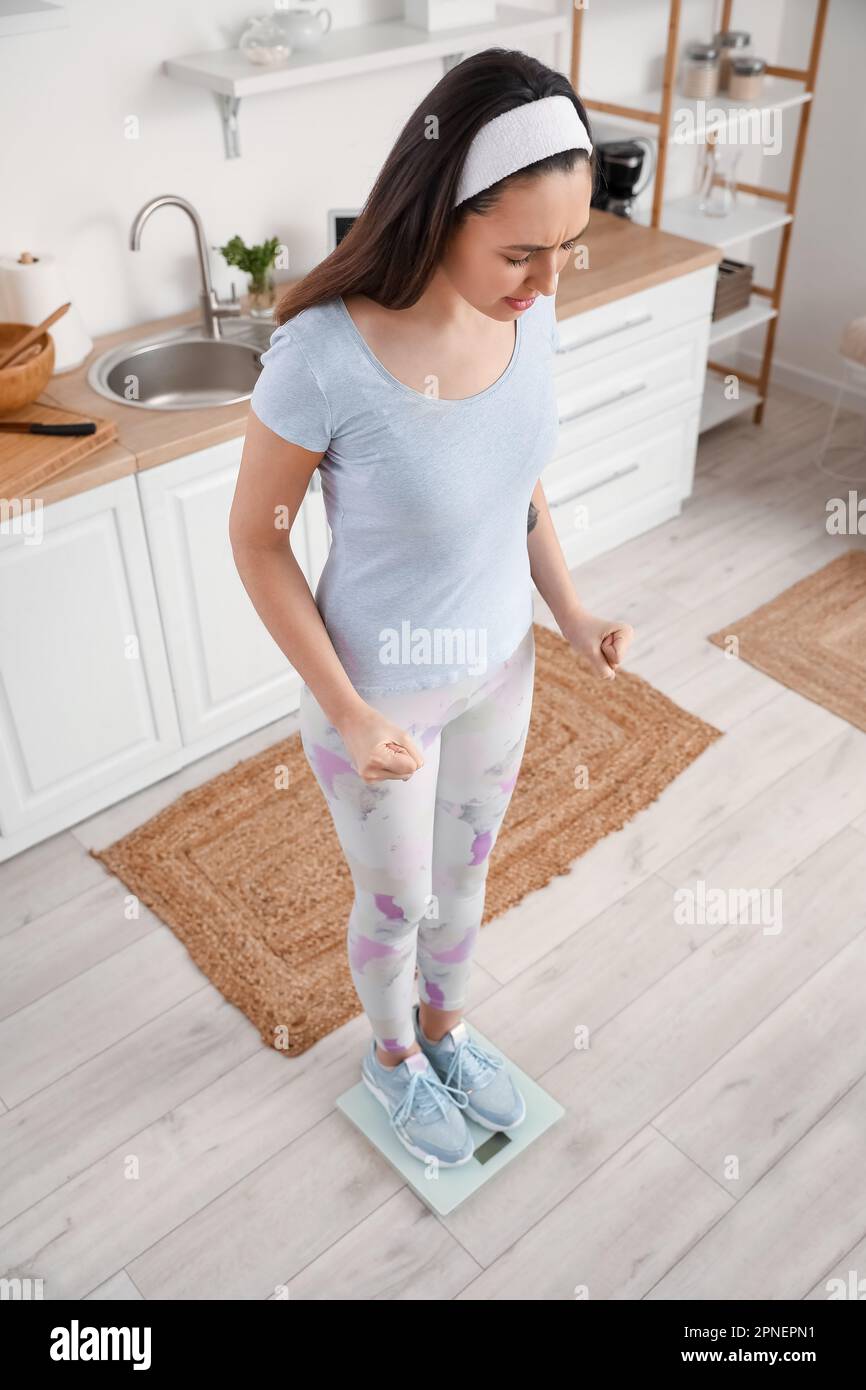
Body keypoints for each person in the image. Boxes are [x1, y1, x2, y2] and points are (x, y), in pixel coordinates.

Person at [230, 48, 634, 1169]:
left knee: (465, 884)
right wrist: (350, 711)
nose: (546, 281)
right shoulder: (322, 357)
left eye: (565, 249)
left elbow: (518, 487)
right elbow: (255, 548)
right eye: (519, 251)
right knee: (398, 902)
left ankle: (447, 1033)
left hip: (499, 666)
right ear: (438, 207)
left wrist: (566, 609)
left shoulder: (525, 314)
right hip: (379, 703)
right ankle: (391, 1056)